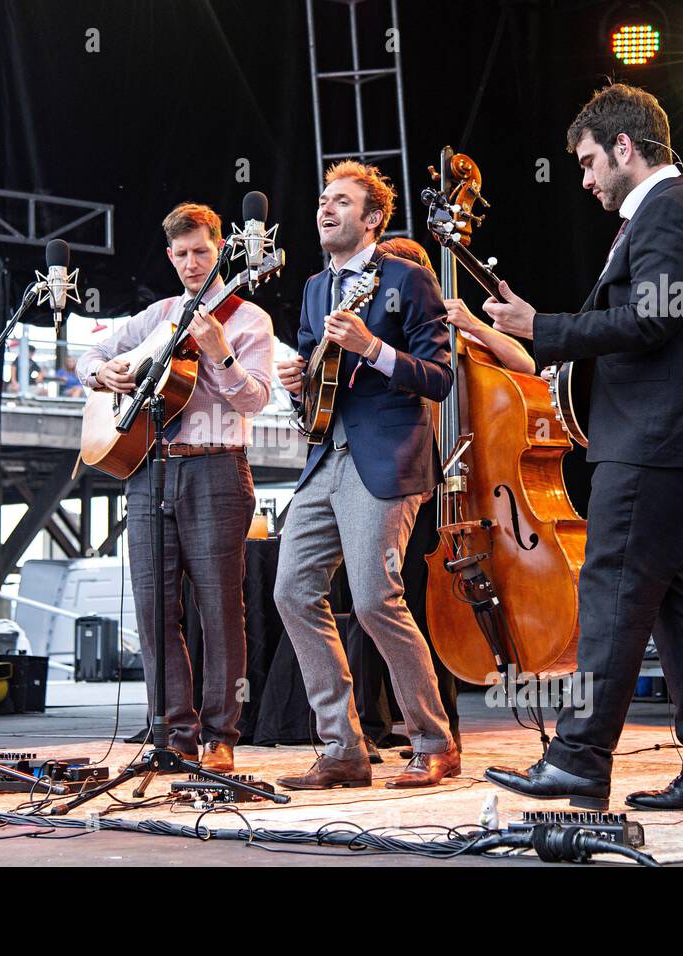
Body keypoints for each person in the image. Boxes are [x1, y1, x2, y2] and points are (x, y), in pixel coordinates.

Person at [482, 83, 683, 811]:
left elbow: (649, 320)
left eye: (589, 161)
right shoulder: (676, 209)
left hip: (662, 443)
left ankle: (577, 756)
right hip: (681, 439)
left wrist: (543, 326)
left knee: (609, 592)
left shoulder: (670, 209)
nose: (585, 178)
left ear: (625, 148)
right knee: (673, 601)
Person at [273, 162, 459, 790]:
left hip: (386, 455)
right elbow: (314, 387)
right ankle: (342, 747)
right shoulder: (313, 288)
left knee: (377, 599)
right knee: (292, 591)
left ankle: (433, 742)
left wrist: (372, 348)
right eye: (323, 199)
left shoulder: (408, 278)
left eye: (342, 202)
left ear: (373, 218)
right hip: (326, 457)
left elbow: (439, 377)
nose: (326, 209)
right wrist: (298, 382)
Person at [78, 202, 274, 772]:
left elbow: (257, 399)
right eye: (182, 254)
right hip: (148, 469)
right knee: (153, 609)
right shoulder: (158, 313)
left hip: (217, 466)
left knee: (219, 609)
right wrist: (101, 373)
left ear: (220, 250)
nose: (192, 263)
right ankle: (172, 733)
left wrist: (220, 354)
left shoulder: (248, 319)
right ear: (170, 257)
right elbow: (91, 353)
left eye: (202, 252)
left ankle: (220, 737)